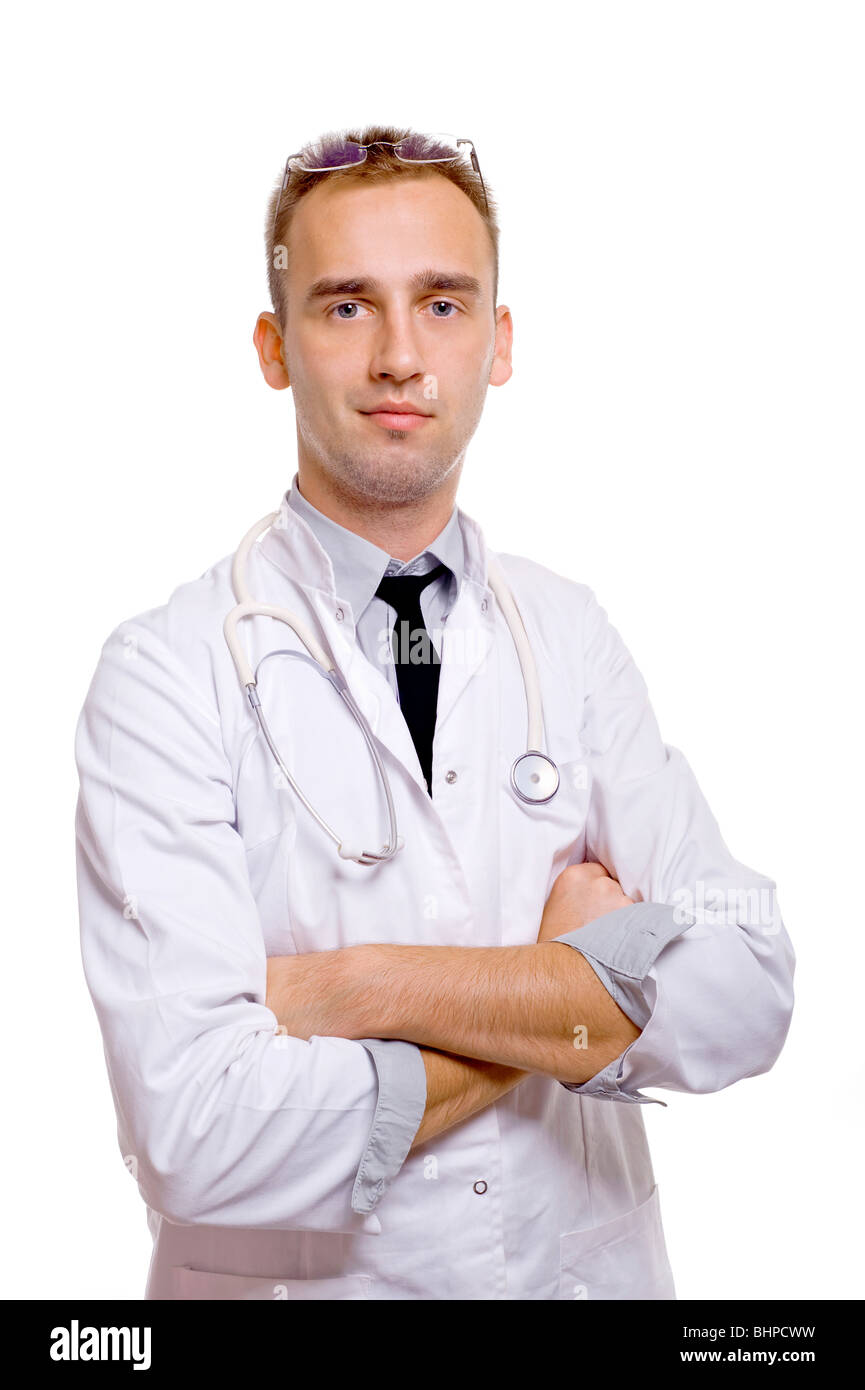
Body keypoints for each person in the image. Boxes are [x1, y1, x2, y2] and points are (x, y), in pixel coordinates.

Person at [74, 124, 795, 1301]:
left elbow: (745, 987)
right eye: (346, 306)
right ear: (274, 346)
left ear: (499, 342)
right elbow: (199, 1130)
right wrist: (567, 980)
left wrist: (353, 990)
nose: (401, 356)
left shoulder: (568, 634)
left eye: (444, 304)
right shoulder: (164, 674)